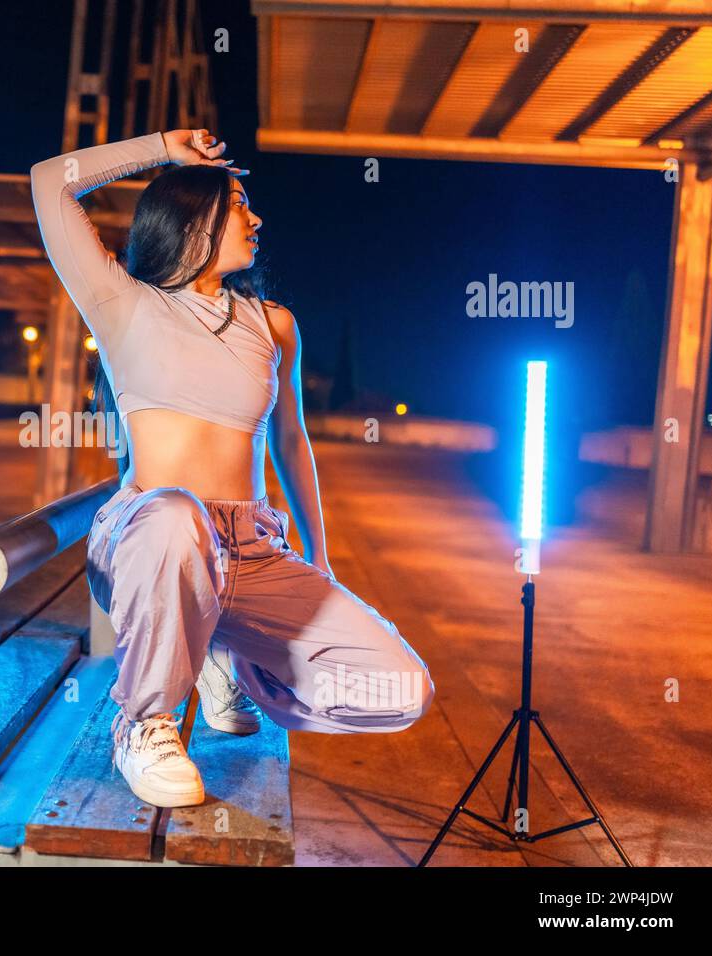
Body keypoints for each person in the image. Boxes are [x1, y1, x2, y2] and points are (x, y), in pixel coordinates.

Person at [29, 129, 435, 808]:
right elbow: (49, 181)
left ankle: (230, 655)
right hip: (148, 535)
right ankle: (143, 722)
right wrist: (164, 148)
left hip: (249, 550)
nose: (257, 219)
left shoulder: (273, 324)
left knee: (404, 690)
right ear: (193, 217)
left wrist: (319, 559)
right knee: (177, 514)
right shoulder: (123, 304)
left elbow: (291, 444)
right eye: (239, 204)